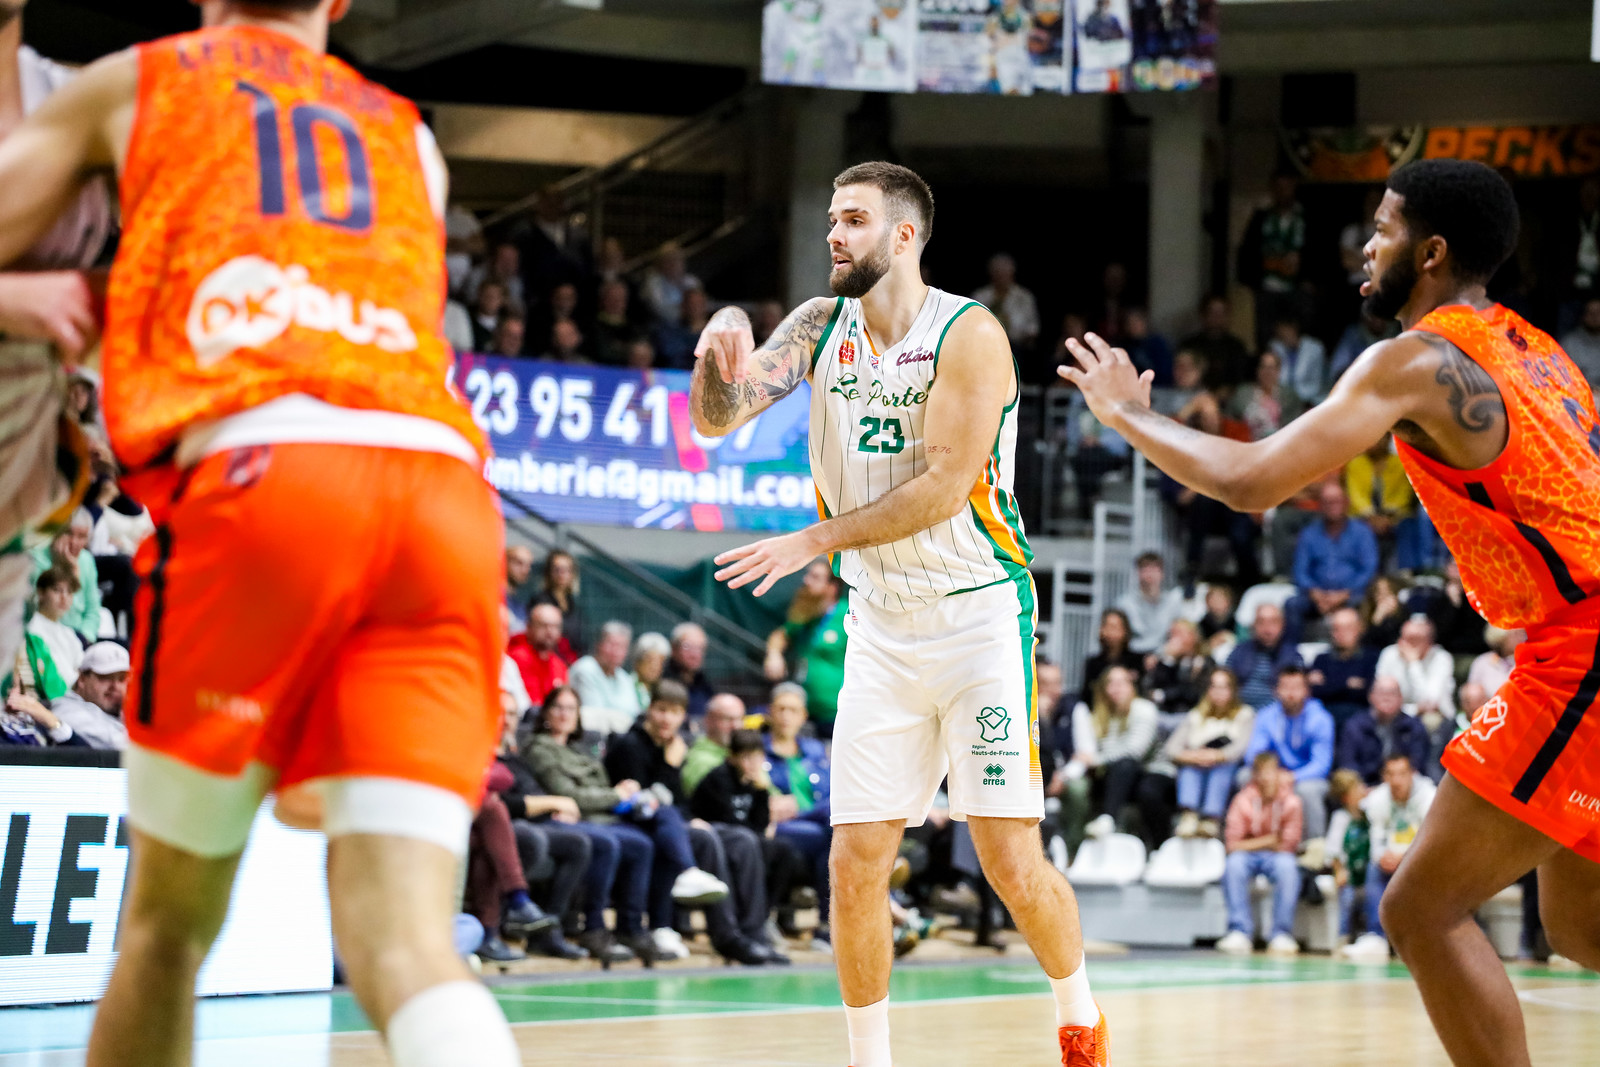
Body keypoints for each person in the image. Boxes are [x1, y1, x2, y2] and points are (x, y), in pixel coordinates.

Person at [0, 4, 522, 1063]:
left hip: (267, 468)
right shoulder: (407, 139)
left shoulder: (141, 79)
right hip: (445, 498)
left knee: (166, 928)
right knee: (409, 944)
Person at [1062, 158, 1600, 1067]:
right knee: (1582, 924)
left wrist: (1125, 415)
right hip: (1572, 641)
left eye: (1383, 229)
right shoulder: (1536, 348)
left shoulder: (1417, 362)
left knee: (1417, 907)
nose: (1365, 245)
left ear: (1429, 252)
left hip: (1582, 649)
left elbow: (1248, 479)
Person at [690, 160, 1106, 1066]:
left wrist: (812, 540)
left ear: (904, 235)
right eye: (832, 221)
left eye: (853, 220)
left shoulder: (971, 333)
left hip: (977, 616)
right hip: (880, 622)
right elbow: (719, 417)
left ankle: (1080, 1017)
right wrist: (715, 352)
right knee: (854, 863)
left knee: (1008, 859)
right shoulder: (818, 324)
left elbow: (946, 486)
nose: (833, 235)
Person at [602, 681, 775, 965]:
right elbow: (644, 802)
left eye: (675, 712)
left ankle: (742, 933)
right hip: (632, 822)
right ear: (649, 710)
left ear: (683, 716)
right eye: (661, 710)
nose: (667, 718)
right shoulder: (629, 745)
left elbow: (678, 800)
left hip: (669, 824)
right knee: (693, 834)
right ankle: (692, 891)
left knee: (726, 838)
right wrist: (670, 767)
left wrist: (691, 818)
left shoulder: (672, 746)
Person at [522, 686, 660, 966]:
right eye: (558, 707)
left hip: (599, 817)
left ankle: (630, 927)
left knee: (641, 844)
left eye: (571, 709)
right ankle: (593, 927)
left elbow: (600, 788)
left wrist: (623, 791)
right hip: (567, 819)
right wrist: (615, 795)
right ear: (546, 712)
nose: (564, 714)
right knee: (607, 844)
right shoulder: (539, 748)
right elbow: (569, 795)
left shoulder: (579, 750)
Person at [1345, 753, 1437, 961]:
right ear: (1384, 776)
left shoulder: (1430, 797)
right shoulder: (1377, 799)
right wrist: (1381, 857)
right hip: (1391, 860)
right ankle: (1376, 937)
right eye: (1391, 774)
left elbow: (1430, 841)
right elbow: (1376, 839)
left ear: (1413, 775)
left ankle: (1425, 937)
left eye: (1402, 774)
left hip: (1421, 859)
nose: (1396, 781)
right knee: (1372, 868)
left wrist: (1404, 857)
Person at [1216, 751, 1304, 956]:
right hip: (1248, 856)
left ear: (1280, 773)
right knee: (1234, 864)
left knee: (1288, 866)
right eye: (1262, 773)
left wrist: (1254, 843)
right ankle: (1239, 931)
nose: (1267, 778)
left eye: (1271, 772)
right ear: (1254, 775)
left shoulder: (1292, 801)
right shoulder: (1242, 800)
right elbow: (1232, 845)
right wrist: (1267, 841)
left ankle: (1281, 934)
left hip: (1277, 856)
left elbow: (1288, 844)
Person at [1064, 665, 1163, 845]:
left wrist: (1095, 760)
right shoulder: (1099, 714)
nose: (1116, 688)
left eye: (1121, 683)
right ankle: (1074, 844)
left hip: (1143, 772)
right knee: (1077, 787)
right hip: (1106, 773)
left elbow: (1135, 751)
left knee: (1126, 765)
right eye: (1110, 683)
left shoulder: (1144, 709)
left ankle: (1108, 819)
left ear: (1132, 685)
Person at [1242, 666, 1335, 839]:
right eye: (1286, 687)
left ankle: (1315, 845)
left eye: (1296, 687)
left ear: (1306, 691)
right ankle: (1249, 835)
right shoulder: (1266, 715)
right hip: (1274, 772)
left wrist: (1292, 777)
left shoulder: (1321, 719)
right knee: (1244, 776)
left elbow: (1321, 765)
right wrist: (1271, 773)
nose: (1291, 693)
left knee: (1308, 790)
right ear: (1276, 690)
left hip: (1306, 776)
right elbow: (1253, 754)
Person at [1284, 483, 1379, 645]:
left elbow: (1369, 568)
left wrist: (1344, 594)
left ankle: (1362, 655)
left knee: (1365, 602)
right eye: (1327, 502)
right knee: (1292, 605)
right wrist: (1316, 594)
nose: (1332, 506)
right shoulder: (1309, 534)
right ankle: (1293, 656)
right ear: (1319, 505)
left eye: (1337, 501)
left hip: (1352, 594)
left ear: (1346, 502)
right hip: (1316, 597)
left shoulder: (1362, 532)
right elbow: (1300, 570)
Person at [1166, 667, 1254, 839]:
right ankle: (1188, 817)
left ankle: (1211, 820)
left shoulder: (1245, 714)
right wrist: (1193, 756)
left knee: (1221, 768)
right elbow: (1171, 748)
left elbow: (1240, 748)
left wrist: (1215, 756)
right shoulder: (1196, 715)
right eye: (1214, 687)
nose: (1218, 692)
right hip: (1195, 762)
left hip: (1226, 764)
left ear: (1233, 690)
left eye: (1224, 687)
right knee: (1190, 768)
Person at [764, 557, 848, 737]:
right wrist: (774, 654)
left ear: (832, 587)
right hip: (805, 711)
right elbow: (780, 635)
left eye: (815, 577)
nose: (806, 581)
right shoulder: (807, 612)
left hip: (837, 713)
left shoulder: (848, 614)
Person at [1344, 434, 1430, 572]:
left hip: (1394, 516)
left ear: (1388, 439)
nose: (1374, 442)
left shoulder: (1399, 462)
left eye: (1379, 438)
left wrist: (1387, 518)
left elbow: (1403, 496)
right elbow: (1356, 496)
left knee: (1407, 525)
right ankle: (1360, 572)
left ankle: (1406, 571)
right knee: (1357, 529)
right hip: (1363, 517)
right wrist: (1371, 517)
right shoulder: (1355, 463)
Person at [1336, 675, 1429, 787]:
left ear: (1401, 698)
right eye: (1381, 692)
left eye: (1392, 693)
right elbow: (1348, 766)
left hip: (1404, 788)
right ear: (1370, 696)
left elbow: (1417, 764)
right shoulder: (1354, 727)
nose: (1387, 698)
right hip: (1365, 788)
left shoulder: (1414, 727)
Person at [1307, 606, 1379, 735]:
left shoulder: (1371, 658)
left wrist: (1329, 683)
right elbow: (1315, 692)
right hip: (1324, 716)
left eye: (1347, 628)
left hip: (1359, 716)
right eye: (1336, 629)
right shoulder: (1321, 659)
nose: (1340, 633)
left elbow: (1367, 692)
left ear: (1359, 629)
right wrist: (1347, 684)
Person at [49, 639, 128, 750]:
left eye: (122, 679)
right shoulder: (67, 711)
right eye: (105, 677)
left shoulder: (120, 710)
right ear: (82, 679)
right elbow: (121, 746)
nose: (115, 686)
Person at [568, 620, 643, 736]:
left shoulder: (624, 677)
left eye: (622, 646)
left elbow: (635, 713)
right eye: (611, 644)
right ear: (598, 644)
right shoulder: (585, 669)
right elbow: (595, 718)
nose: (616, 651)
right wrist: (625, 721)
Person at [1375, 614, 1456, 718]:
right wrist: (1415, 709)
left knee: (1430, 718)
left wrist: (1414, 664)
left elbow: (1429, 702)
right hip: (1395, 715)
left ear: (1429, 642)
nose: (1408, 644)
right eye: (1405, 638)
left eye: (1415, 639)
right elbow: (1381, 697)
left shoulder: (1442, 658)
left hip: (1435, 717)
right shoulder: (1389, 654)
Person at [1225, 602, 1300, 713]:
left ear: (1282, 625)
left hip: (1279, 715)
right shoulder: (1239, 652)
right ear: (1253, 626)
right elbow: (1225, 681)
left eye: (1273, 622)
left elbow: (1298, 692)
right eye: (1261, 622)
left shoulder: (1292, 656)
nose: (1267, 629)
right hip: (1240, 713)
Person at [1325, 769, 1372, 945]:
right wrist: (1340, 870)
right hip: (1350, 873)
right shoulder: (1341, 818)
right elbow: (1333, 849)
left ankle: (1372, 935)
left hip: (1368, 871)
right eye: (1356, 789)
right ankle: (1342, 936)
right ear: (1346, 797)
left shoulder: (1370, 813)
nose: (1362, 790)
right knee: (1348, 895)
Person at [971, 252, 1039, 363]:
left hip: (1016, 349)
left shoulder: (1024, 297)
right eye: (997, 272)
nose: (1000, 276)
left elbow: (1033, 330)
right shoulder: (980, 296)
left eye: (1004, 272)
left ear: (1012, 273)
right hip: (984, 346)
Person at [1179, 294, 1253, 394]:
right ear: (1203, 314)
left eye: (1222, 313)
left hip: (1228, 400)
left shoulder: (1236, 346)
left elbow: (1241, 379)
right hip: (1191, 395)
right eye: (1213, 312)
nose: (1217, 317)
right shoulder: (1189, 345)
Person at [1115, 551, 1184, 656]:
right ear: (1137, 573)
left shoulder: (1173, 602)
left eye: (1153, 569)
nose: (1149, 574)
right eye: (1144, 569)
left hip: (1165, 655)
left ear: (1162, 573)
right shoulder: (1125, 604)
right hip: (1132, 656)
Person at [1140, 618, 1212, 716]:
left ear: (1193, 636)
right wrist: (1168, 659)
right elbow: (1152, 686)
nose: (1174, 639)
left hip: (1191, 713)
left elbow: (1191, 693)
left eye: (1179, 634)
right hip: (1162, 713)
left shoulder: (1203, 661)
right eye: (1172, 635)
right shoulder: (1165, 660)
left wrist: (1164, 695)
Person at [24, 566, 82, 686]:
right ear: (41, 593)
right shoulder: (31, 628)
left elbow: (81, 669)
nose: (64, 597)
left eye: (69, 592)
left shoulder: (69, 633)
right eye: (57, 590)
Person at [506, 603, 569, 711]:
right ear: (529, 627)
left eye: (555, 626)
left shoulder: (559, 665)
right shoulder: (515, 658)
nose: (550, 631)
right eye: (543, 625)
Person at [683, 691, 746, 798]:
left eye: (740, 719)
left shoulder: (744, 753)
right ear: (709, 720)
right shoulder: (699, 759)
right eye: (727, 719)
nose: (735, 726)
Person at [531, 549, 584, 661]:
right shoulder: (540, 601)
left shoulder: (573, 604)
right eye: (557, 569)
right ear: (549, 572)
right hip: (548, 660)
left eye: (566, 570)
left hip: (571, 662)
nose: (561, 574)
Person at [1267, 316, 1327, 406]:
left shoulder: (1315, 348)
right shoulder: (1276, 347)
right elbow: (1277, 379)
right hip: (1283, 400)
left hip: (1310, 400)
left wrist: (1295, 396)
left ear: (1294, 328)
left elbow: (1317, 384)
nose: (1284, 335)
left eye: (1286, 330)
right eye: (1280, 335)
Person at [1082, 607, 1143, 692]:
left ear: (1125, 631)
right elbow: (1087, 694)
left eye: (1114, 627)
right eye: (1106, 627)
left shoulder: (1137, 661)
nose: (1110, 632)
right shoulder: (1093, 664)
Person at [665, 621, 714, 720]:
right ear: (673, 648)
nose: (694, 655)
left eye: (700, 648)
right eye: (687, 647)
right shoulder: (661, 680)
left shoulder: (705, 685)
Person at [1558, 296, 1600, 394]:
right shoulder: (1569, 342)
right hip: (1578, 397)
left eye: (1598, 312)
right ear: (1583, 315)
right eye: (1590, 312)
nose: (1594, 317)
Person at [1468, 625, 1524, 698]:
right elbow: (1472, 694)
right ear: (1501, 637)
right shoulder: (1482, 662)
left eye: (1522, 633)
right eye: (1515, 634)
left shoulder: (1528, 661)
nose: (1522, 638)